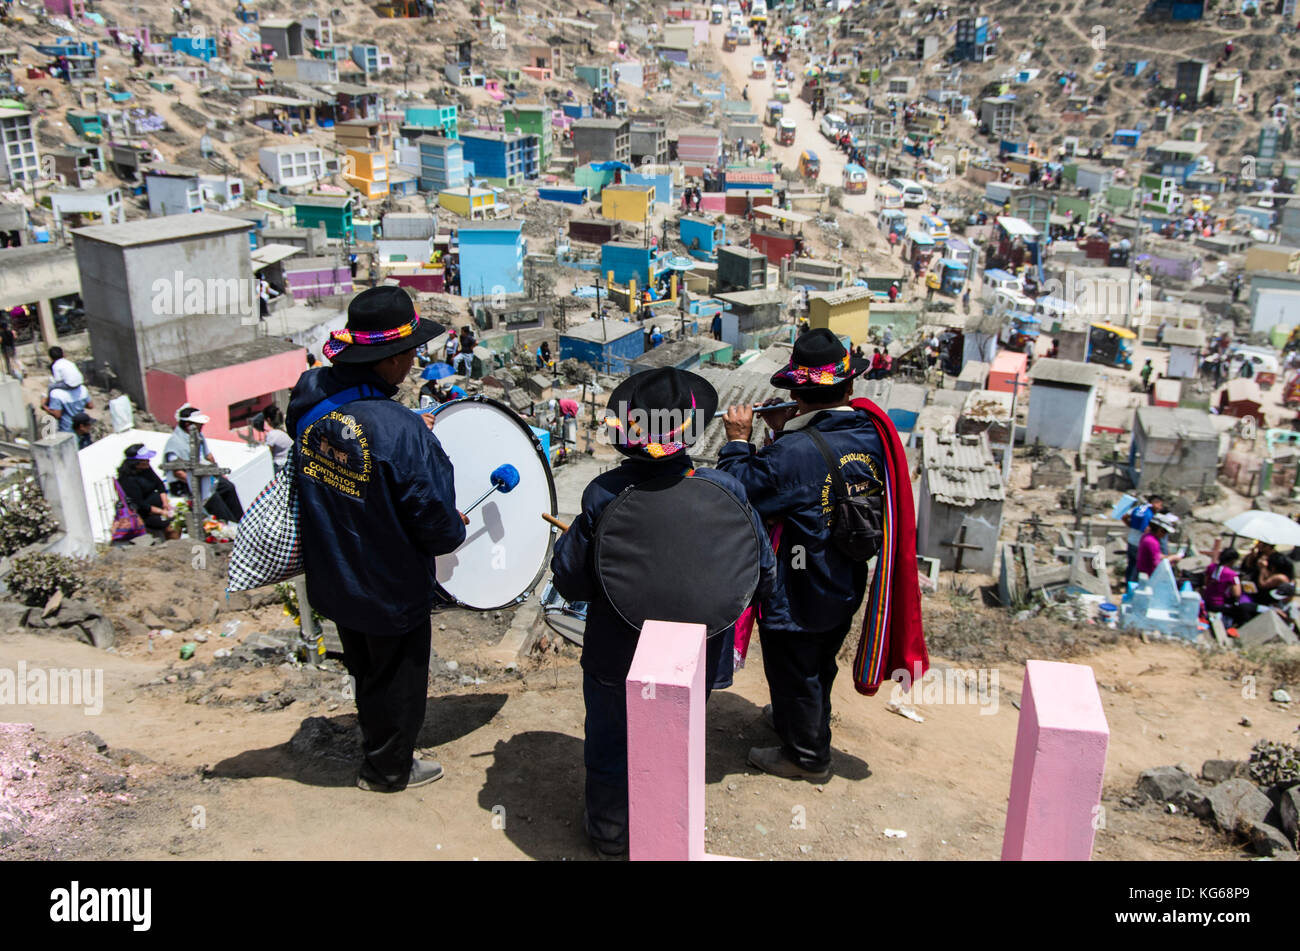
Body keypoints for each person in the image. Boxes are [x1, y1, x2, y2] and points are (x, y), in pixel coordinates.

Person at [550, 368, 775, 856]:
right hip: (693, 660)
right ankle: (665, 838)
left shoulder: (602, 494)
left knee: (611, 746)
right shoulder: (727, 491)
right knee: (673, 748)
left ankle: (611, 836)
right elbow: (764, 574)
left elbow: (569, 580)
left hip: (616, 655)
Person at [717, 329, 927, 781]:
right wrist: (786, 432)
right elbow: (801, 476)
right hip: (844, 577)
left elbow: (742, 490)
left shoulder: (794, 452)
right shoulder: (870, 430)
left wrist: (738, 440)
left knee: (795, 667)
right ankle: (798, 721)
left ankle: (806, 756)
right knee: (817, 663)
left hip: (799, 588)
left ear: (795, 391)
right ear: (848, 388)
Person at [287, 286, 467, 793]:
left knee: (366, 668)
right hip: (388, 585)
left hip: (333, 570)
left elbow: (353, 442)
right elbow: (435, 525)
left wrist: (404, 427)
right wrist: (456, 527)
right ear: (387, 360)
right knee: (399, 680)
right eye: (408, 351)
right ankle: (388, 770)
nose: (413, 360)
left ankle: (376, 745)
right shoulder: (402, 432)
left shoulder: (311, 393)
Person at [164, 405, 245, 523]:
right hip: (187, 483)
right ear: (188, 425)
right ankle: (228, 525)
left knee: (228, 487)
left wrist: (218, 473)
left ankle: (241, 521)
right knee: (213, 498)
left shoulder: (198, 436)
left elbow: (208, 456)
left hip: (206, 475)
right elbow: (177, 472)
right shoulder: (175, 443)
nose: (202, 426)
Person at [116, 444, 176, 537]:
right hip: (145, 513)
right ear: (136, 463)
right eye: (145, 460)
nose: (148, 461)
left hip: (159, 506)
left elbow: (159, 484)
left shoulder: (146, 469)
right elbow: (140, 504)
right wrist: (162, 512)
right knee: (171, 527)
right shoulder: (127, 480)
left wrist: (165, 503)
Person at [1123, 495, 1163, 585]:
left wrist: (1131, 526)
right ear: (1154, 503)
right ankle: (1131, 587)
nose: (1160, 508)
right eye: (1160, 505)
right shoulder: (1149, 513)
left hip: (1131, 541)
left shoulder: (1139, 508)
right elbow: (1146, 529)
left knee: (1130, 565)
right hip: (1139, 544)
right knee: (1137, 568)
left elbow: (1124, 517)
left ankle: (1127, 584)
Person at [1135, 512, 1182, 579]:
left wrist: (1168, 556)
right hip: (1149, 576)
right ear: (1159, 530)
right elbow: (1157, 564)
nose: (1164, 535)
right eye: (1164, 532)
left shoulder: (1147, 537)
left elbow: (1155, 554)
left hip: (1143, 573)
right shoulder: (1152, 542)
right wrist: (1172, 558)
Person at [1202, 548, 1242, 616]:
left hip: (1206, 600)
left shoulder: (1211, 567)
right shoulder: (1232, 574)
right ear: (1233, 561)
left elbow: (1205, 582)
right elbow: (1237, 593)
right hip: (1219, 604)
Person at [258, 405, 293, 472]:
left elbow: (268, 454)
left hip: (279, 467)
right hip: (290, 464)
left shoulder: (272, 435)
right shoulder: (286, 431)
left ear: (268, 420)